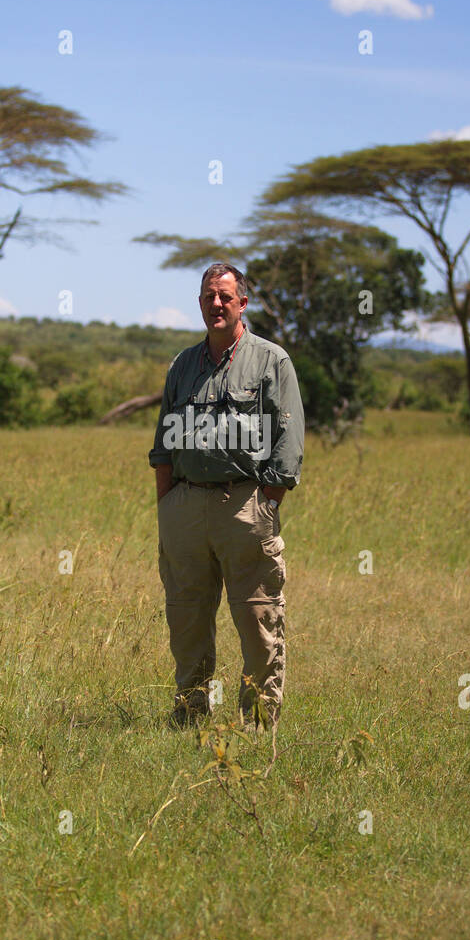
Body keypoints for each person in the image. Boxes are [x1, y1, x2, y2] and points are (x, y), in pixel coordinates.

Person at [149, 262, 304, 731]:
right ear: (200, 303)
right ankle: (191, 717)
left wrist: (266, 503)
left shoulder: (271, 360)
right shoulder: (182, 365)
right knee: (187, 620)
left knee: (259, 623)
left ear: (242, 303)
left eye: (225, 296)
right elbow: (163, 445)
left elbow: (289, 440)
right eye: (208, 296)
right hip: (186, 510)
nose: (216, 303)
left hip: (245, 507)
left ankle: (257, 724)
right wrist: (168, 507)